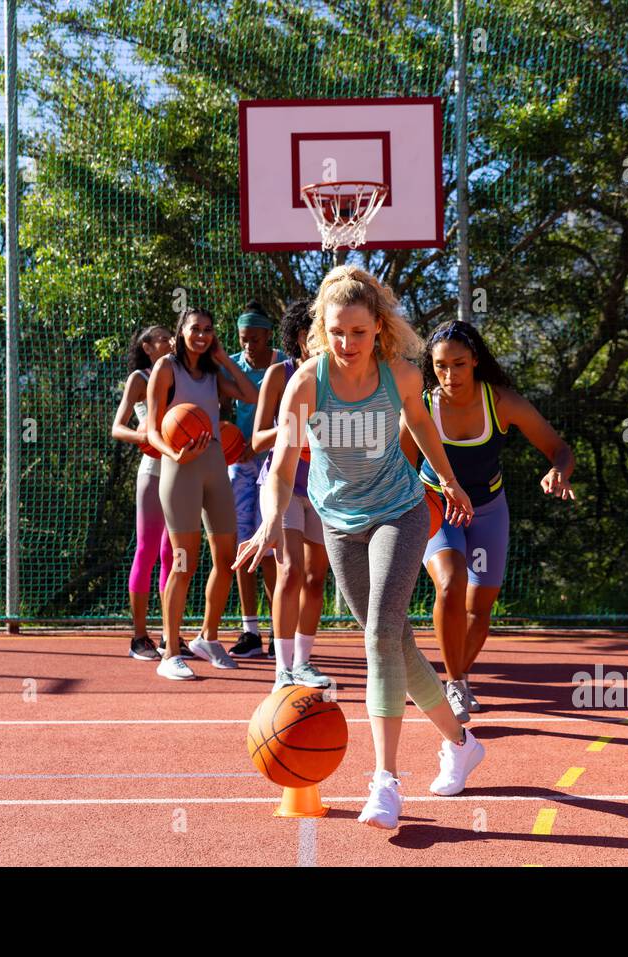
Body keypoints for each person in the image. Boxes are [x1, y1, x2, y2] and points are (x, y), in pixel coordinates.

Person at [235, 265, 483, 830]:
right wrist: (271, 521)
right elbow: (280, 466)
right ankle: (461, 743)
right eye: (337, 332)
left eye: (359, 333)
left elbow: (420, 425)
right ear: (323, 329)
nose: (348, 344)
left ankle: (386, 783)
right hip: (339, 522)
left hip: (399, 511)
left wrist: (449, 481)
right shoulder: (305, 382)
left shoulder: (400, 376)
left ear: (379, 331)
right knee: (395, 643)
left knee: (377, 634)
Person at [401, 320, 576, 720]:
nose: (450, 375)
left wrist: (559, 472)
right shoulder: (421, 407)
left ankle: (453, 679)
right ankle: (457, 684)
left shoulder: (502, 402)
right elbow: (401, 468)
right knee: (449, 582)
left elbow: (559, 449)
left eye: (459, 364)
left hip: (488, 510)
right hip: (438, 508)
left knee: (479, 608)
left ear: (475, 361)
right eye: (441, 366)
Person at [146, 307, 259, 680]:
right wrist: (172, 452)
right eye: (196, 329)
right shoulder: (166, 368)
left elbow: (252, 394)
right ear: (181, 331)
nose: (203, 335)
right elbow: (151, 429)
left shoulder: (212, 373)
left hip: (214, 465)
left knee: (227, 557)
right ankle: (170, 651)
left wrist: (224, 357)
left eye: (209, 330)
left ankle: (208, 637)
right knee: (183, 562)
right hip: (180, 467)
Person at [250, 299, 330, 691]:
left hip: (322, 488)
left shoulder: (338, 376)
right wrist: (292, 428)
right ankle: (282, 669)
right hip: (282, 484)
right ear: (300, 337)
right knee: (290, 570)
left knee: (317, 577)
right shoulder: (279, 375)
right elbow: (256, 438)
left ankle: (303, 662)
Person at [221, 302, 285, 659]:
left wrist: (258, 442)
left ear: (268, 336)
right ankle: (250, 632)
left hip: (272, 462)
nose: (248, 346)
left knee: (271, 551)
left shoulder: (282, 365)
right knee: (243, 547)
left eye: (255, 339)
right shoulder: (231, 363)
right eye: (243, 339)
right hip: (239, 465)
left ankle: (279, 630)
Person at [110, 325, 176, 660]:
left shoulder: (183, 372)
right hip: (153, 470)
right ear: (147, 346)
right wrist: (144, 437)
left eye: (170, 335)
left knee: (172, 554)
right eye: (162, 337)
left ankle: (169, 634)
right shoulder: (140, 378)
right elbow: (117, 427)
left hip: (182, 470)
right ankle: (139, 636)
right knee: (147, 549)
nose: (169, 340)